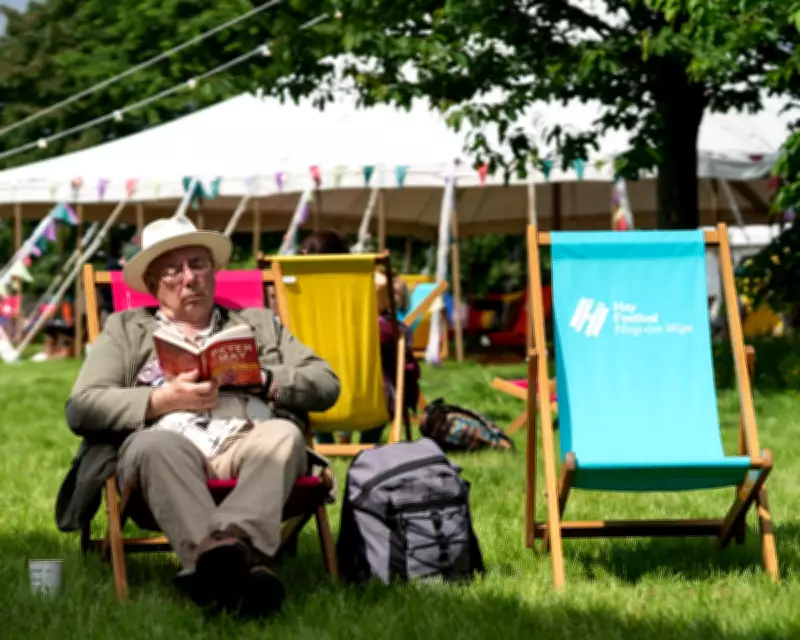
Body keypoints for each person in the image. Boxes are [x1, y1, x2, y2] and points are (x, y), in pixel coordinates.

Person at [55, 217, 341, 617]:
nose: (189, 278)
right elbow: (82, 405)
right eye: (173, 270)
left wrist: (264, 378)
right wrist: (162, 400)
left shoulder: (256, 322)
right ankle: (241, 565)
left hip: (248, 442)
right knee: (155, 445)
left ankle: (215, 559)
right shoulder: (126, 328)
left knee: (282, 437)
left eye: (198, 264)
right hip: (167, 451)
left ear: (213, 271)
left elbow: (326, 382)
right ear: (153, 283)